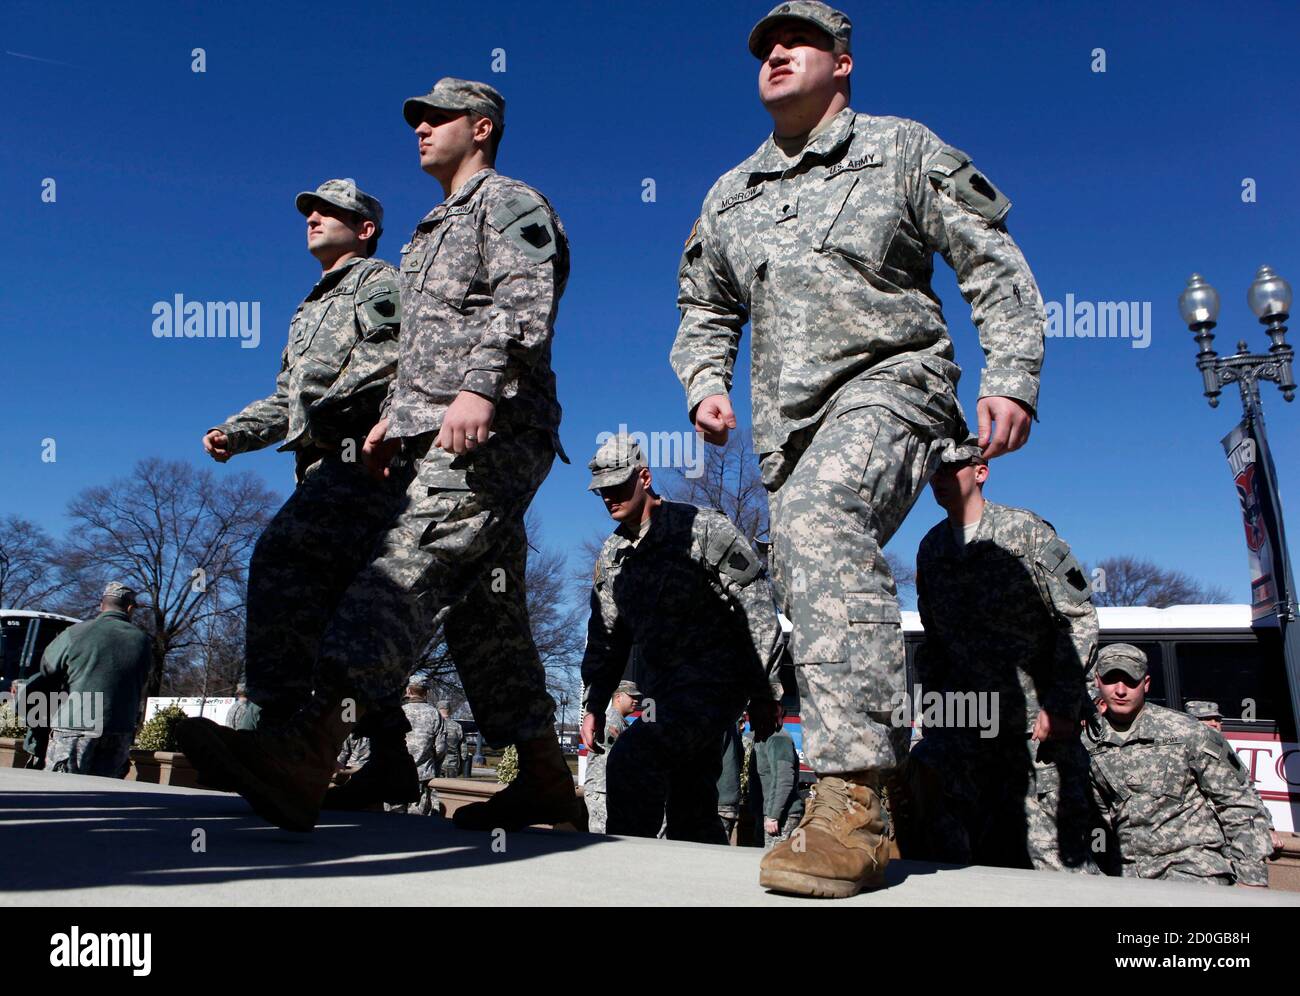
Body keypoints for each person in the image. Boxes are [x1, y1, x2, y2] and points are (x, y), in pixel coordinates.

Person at [670, 1, 1046, 896]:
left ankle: (854, 795)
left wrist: (1013, 372)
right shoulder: (733, 193)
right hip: (790, 427)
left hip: (896, 382)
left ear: (843, 62)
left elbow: (990, 261)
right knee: (807, 559)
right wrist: (705, 381)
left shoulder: (902, 149)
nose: (775, 55)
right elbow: (704, 305)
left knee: (824, 519)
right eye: (764, 46)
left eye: (796, 42)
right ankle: (900, 779)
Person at [180, 79, 573, 835]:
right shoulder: (428, 232)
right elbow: (418, 353)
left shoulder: (507, 202)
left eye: (437, 117)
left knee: (399, 569)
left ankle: (305, 748)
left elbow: (526, 298)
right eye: (416, 119)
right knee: (485, 610)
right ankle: (546, 775)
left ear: (482, 128)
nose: (420, 128)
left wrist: (481, 389)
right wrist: (394, 416)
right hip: (436, 432)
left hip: (492, 427)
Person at [193, 178, 415, 810]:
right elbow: (288, 396)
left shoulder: (379, 283)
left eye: (330, 211)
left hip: (365, 460)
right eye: (309, 211)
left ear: (365, 227)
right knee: (344, 614)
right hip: (326, 464)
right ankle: (391, 758)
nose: (314, 218)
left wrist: (317, 415)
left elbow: (390, 358)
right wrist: (237, 432)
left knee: (282, 562)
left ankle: (277, 733)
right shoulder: (308, 308)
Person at [907, 436, 1098, 872]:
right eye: (932, 472)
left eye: (950, 468)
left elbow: (1079, 617)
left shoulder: (1026, 532)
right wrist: (935, 711)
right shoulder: (931, 548)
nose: (939, 479)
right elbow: (934, 641)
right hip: (965, 724)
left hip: (1034, 727)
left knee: (1052, 858)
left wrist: (1062, 702)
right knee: (963, 854)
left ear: (980, 471)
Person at [579, 434, 781, 844]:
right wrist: (594, 703)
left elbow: (757, 605)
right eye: (602, 491)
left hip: (714, 684)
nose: (609, 498)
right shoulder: (613, 557)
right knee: (691, 799)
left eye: (618, 486)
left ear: (645, 477)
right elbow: (606, 637)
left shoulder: (702, 528)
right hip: (663, 694)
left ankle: (622, 869)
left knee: (633, 761)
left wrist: (765, 690)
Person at [1084, 644, 1272, 886]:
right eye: (1111, 680)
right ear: (1098, 682)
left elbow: (1239, 801)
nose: (1120, 690)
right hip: (1126, 874)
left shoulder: (1188, 732)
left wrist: (1252, 878)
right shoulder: (1087, 742)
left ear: (1146, 684)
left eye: (1130, 681)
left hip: (1194, 869)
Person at [20, 583, 152, 778]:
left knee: (61, 794)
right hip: (120, 730)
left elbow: (45, 676)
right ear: (130, 608)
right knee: (104, 799)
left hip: (74, 727)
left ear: (101, 605)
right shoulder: (143, 642)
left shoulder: (74, 633)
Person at [583, 680, 638, 834]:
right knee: (602, 839)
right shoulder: (611, 720)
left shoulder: (619, 721)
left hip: (607, 789)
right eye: (631, 696)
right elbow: (609, 757)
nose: (636, 701)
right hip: (602, 789)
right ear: (618, 697)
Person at [752, 697, 804, 848]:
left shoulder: (778, 739)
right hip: (768, 815)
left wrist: (773, 816)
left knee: (773, 863)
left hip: (782, 818)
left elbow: (784, 778)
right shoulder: (763, 738)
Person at [389, 681, 443, 815]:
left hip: (395, 774)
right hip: (421, 775)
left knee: (391, 821)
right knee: (415, 823)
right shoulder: (435, 714)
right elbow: (441, 748)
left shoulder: (398, 712)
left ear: (408, 691)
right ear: (426, 692)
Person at [718, 715, 745, 842]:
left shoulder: (712, 721)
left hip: (717, 799)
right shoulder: (732, 723)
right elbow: (740, 757)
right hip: (728, 798)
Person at [436, 699, 464, 778]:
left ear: (438, 709)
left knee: (434, 786)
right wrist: (463, 760)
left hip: (436, 762)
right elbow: (463, 745)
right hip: (451, 763)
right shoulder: (457, 726)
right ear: (449, 710)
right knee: (450, 787)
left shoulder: (435, 724)